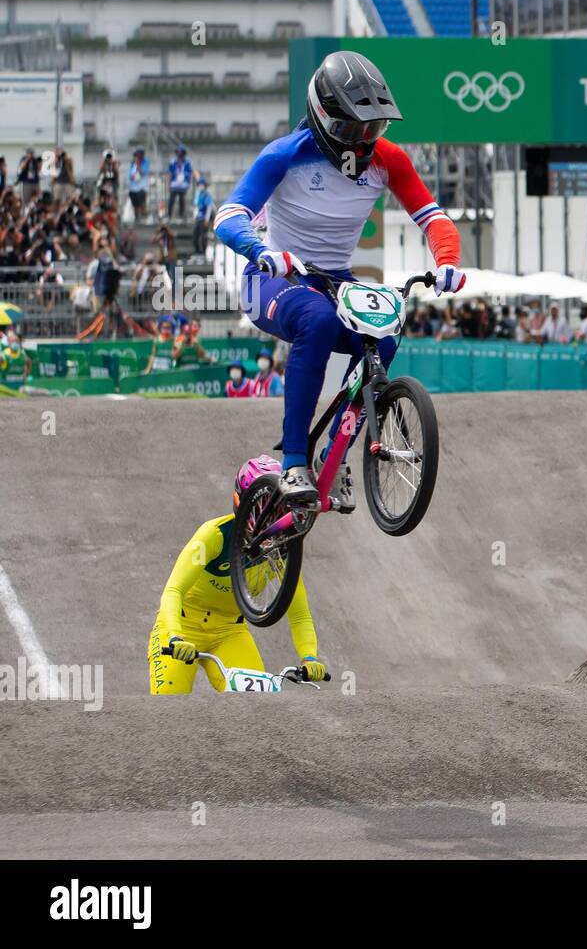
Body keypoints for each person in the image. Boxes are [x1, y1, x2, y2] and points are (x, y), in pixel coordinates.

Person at [215, 50, 465, 507]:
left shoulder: (389, 160)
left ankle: (336, 455)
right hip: (273, 278)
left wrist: (447, 260)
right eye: (353, 129)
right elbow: (228, 217)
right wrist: (264, 251)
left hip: (335, 280)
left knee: (384, 335)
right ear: (323, 119)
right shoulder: (284, 155)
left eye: (374, 129)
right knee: (318, 321)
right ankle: (293, 463)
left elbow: (435, 219)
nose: (364, 141)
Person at [148, 456, 328, 694]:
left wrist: (308, 656)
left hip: (229, 632)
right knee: (169, 712)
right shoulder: (214, 535)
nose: (269, 514)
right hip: (182, 627)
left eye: (276, 507)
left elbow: (300, 614)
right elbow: (173, 591)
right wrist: (174, 637)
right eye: (261, 506)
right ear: (240, 501)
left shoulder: (283, 548)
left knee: (260, 708)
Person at [167, 146, 192, 220]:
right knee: (171, 200)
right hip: (174, 184)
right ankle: (169, 216)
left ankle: (181, 216)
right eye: (178, 152)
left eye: (181, 152)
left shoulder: (188, 162)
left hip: (183, 185)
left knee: (182, 200)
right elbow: (170, 173)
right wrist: (168, 184)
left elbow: (190, 173)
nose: (179, 154)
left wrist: (189, 183)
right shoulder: (173, 162)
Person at [192, 177, 213, 257]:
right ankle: (197, 251)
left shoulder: (207, 195)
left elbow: (209, 208)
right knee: (195, 235)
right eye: (199, 185)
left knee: (203, 236)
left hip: (204, 218)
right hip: (198, 218)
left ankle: (203, 253)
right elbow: (196, 207)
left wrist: (206, 220)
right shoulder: (198, 194)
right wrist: (194, 217)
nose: (200, 186)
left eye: (202, 185)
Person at [127, 148, 149, 224]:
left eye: (137, 155)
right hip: (133, 188)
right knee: (135, 206)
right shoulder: (133, 164)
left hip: (141, 188)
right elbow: (131, 175)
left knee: (142, 205)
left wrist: (138, 164)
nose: (136, 157)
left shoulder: (145, 163)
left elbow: (143, 173)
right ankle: (137, 219)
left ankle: (145, 219)